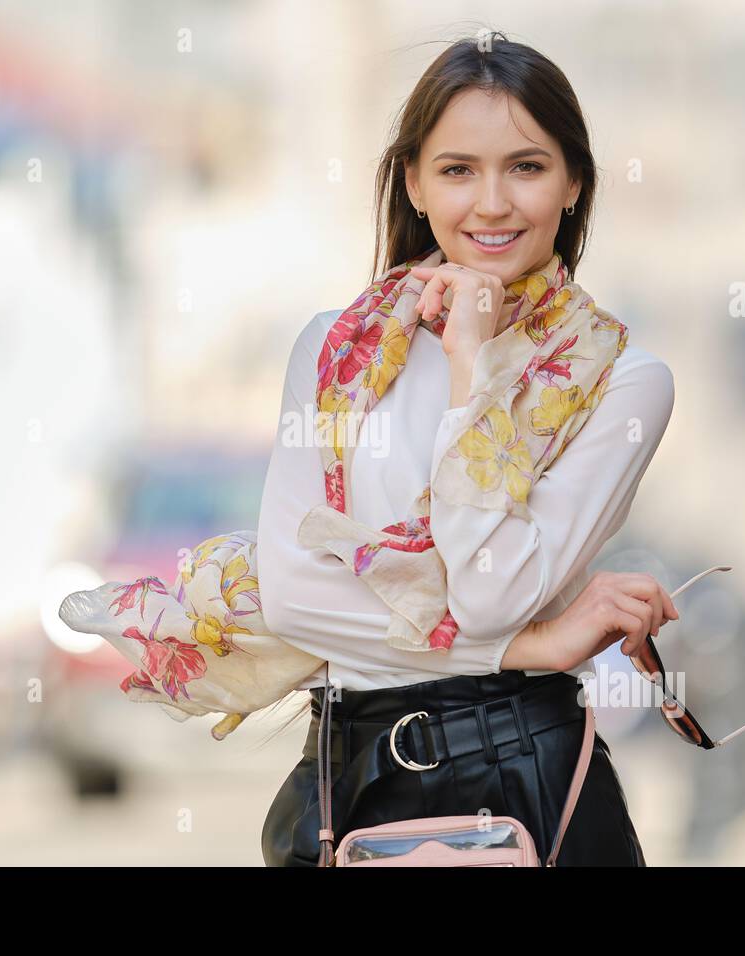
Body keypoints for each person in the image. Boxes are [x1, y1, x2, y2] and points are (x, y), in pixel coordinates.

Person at [256, 33, 678, 866]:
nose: (491, 203)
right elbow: (293, 600)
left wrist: (474, 373)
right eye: (457, 170)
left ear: (574, 181)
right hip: (348, 783)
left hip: (524, 779)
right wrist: (531, 647)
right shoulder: (331, 350)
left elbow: (490, 593)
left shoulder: (624, 383)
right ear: (413, 183)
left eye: (526, 167)